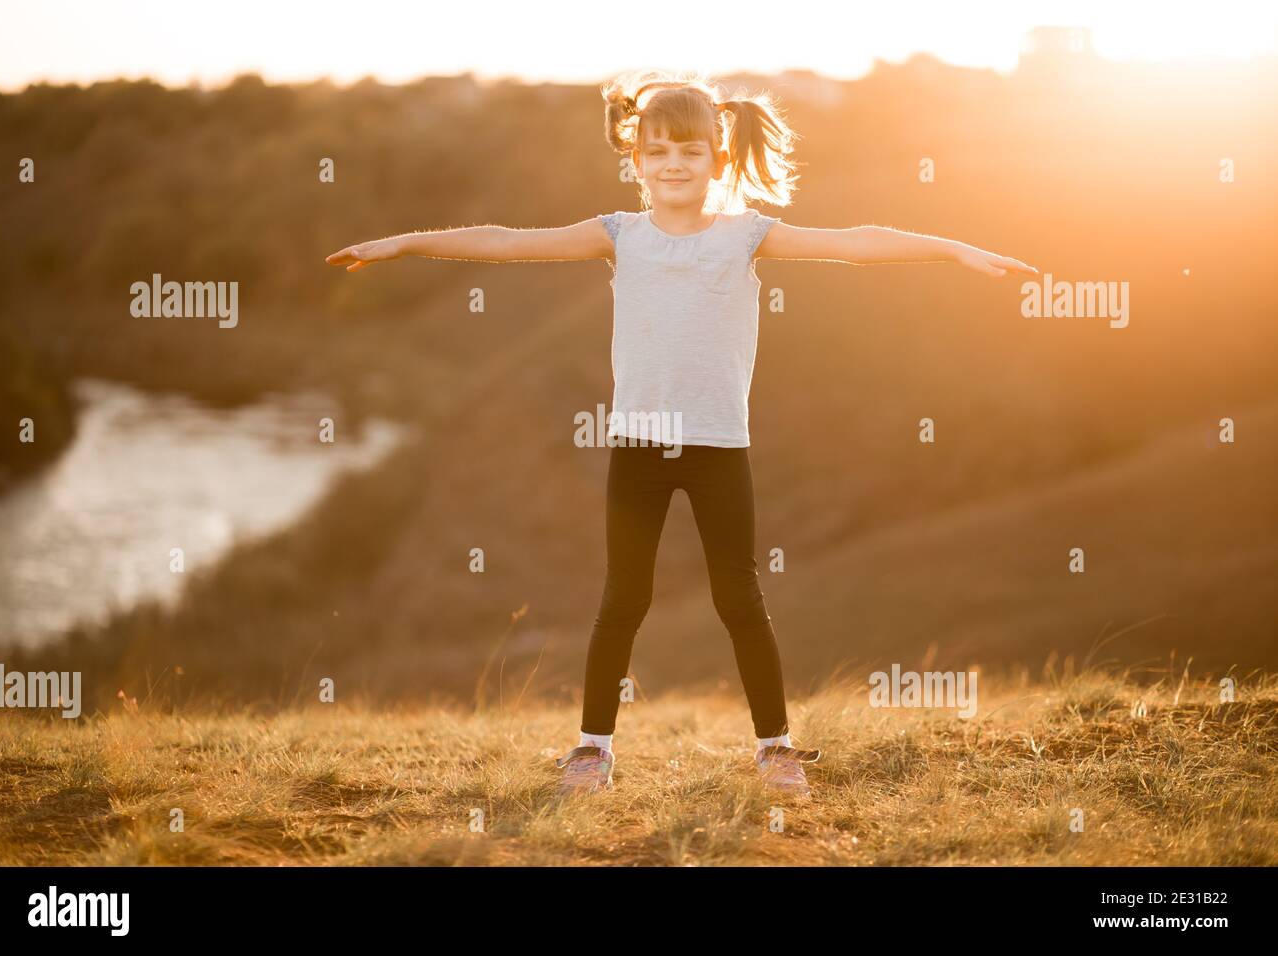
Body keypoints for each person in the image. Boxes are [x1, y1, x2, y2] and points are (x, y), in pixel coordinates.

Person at [326, 70, 1037, 801]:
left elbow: (857, 241)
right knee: (622, 600)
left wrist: (954, 249)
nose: (674, 164)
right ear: (636, 159)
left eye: (690, 152)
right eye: (659, 150)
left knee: (740, 600)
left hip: (718, 447)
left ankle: (776, 749)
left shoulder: (747, 236)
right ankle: (591, 752)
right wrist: (405, 243)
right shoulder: (617, 236)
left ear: (717, 161)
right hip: (637, 446)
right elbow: (506, 242)